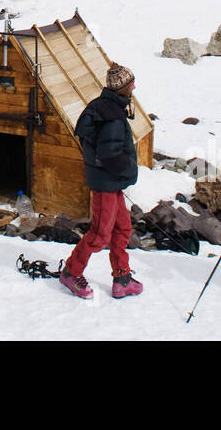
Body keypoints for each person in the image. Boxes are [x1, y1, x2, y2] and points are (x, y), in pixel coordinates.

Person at [60, 62, 143, 300]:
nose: (134, 86)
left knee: (123, 227)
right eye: (131, 84)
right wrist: (128, 171)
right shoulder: (112, 117)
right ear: (123, 88)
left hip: (110, 183)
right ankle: (71, 272)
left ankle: (122, 278)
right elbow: (109, 155)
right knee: (99, 235)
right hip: (106, 184)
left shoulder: (105, 108)